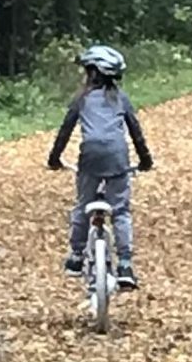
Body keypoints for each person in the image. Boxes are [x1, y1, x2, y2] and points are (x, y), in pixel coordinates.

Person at [47, 44, 153, 289]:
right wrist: (145, 160)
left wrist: (54, 159)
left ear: (91, 72)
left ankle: (75, 256)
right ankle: (125, 265)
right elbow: (136, 133)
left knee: (83, 205)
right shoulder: (121, 99)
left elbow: (64, 132)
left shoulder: (81, 99)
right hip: (118, 159)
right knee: (120, 211)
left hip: (90, 160)